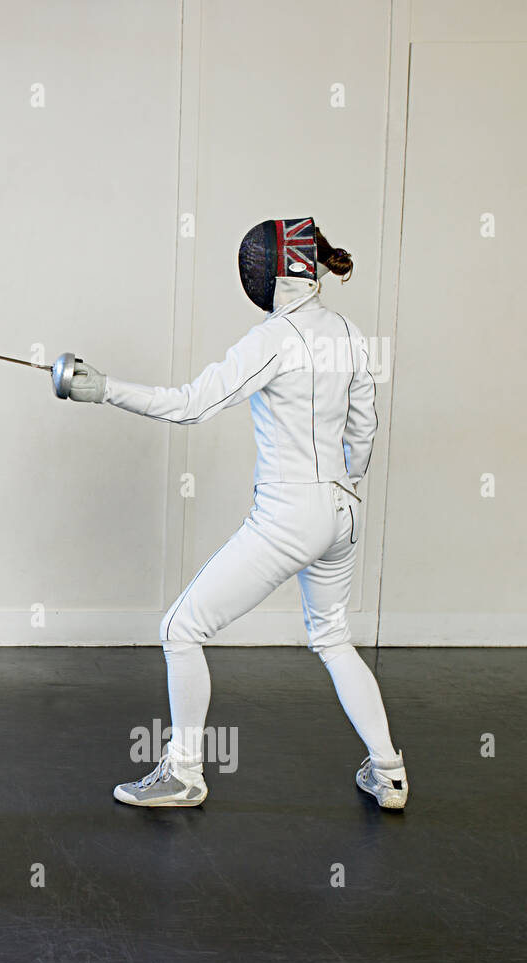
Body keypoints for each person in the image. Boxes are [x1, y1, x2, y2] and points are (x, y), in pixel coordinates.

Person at [67, 218, 406, 810]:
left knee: (181, 628)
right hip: (344, 514)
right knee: (332, 636)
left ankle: (185, 773)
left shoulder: (271, 340)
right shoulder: (349, 334)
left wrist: (105, 390)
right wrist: (340, 490)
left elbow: (192, 405)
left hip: (291, 514)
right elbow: (364, 431)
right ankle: (389, 772)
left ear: (274, 272)